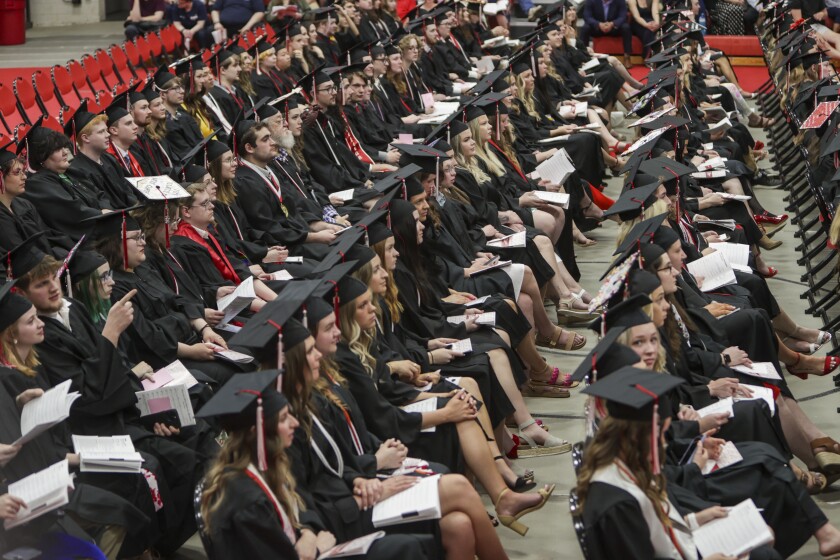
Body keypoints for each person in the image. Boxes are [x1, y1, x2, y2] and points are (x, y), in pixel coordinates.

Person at [579, 0, 634, 68]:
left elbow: (623, 16)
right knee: (585, 28)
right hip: (597, 28)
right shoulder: (591, 1)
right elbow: (587, 16)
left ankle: (627, 57)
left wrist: (613, 24)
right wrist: (598, 24)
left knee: (626, 27)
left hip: (614, 28)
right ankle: (583, 56)